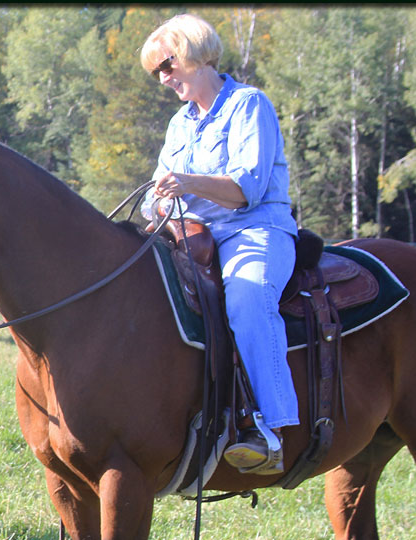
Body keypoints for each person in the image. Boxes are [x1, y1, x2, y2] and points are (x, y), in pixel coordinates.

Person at [139, 14, 299, 475]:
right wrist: (157, 205)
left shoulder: (249, 105)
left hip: (254, 231)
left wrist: (185, 182)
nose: (164, 78)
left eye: (167, 65)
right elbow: (157, 192)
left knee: (247, 296)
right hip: (193, 237)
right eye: (157, 74)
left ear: (195, 52)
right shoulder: (179, 125)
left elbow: (246, 188)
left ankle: (270, 429)